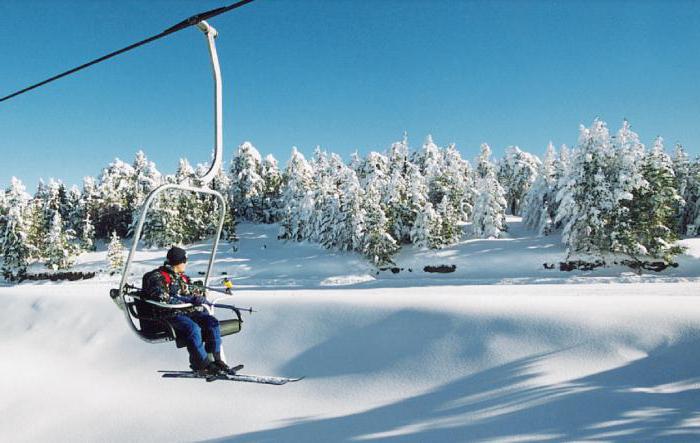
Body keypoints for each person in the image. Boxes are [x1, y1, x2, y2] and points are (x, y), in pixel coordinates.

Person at [142, 246, 229, 375]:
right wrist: (185, 300)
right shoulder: (156, 277)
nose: (186, 264)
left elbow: (191, 291)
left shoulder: (182, 277)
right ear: (180, 261)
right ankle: (201, 363)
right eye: (185, 261)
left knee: (212, 322)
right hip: (168, 314)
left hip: (187, 312)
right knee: (193, 328)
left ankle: (215, 359)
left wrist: (198, 296)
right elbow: (161, 297)